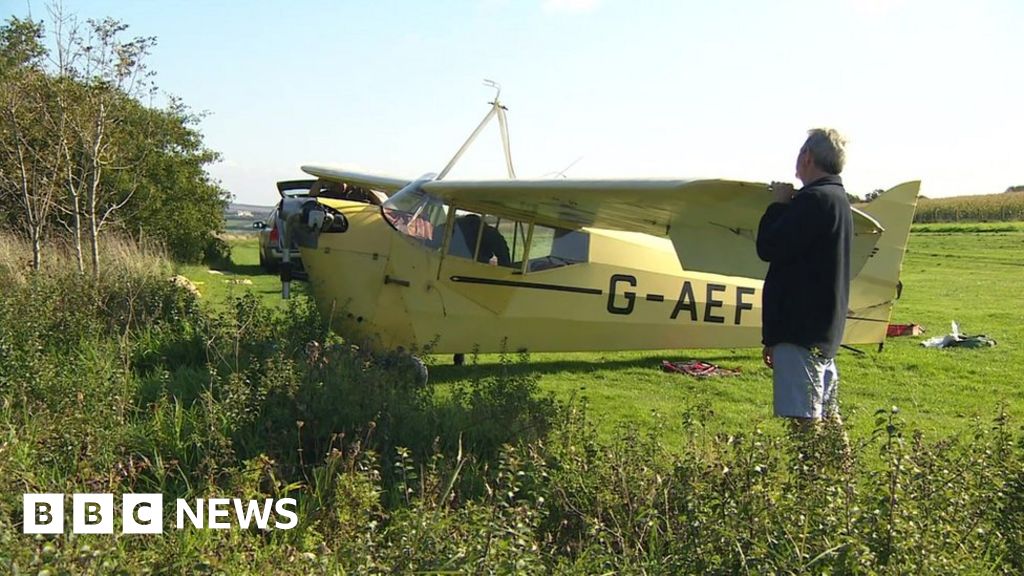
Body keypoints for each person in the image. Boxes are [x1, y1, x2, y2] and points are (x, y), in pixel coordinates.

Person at [756, 128, 852, 427]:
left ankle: (812, 475)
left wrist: (778, 204)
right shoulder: (839, 199)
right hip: (822, 332)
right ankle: (843, 472)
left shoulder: (812, 200)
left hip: (800, 331)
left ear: (807, 157)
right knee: (829, 417)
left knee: (804, 422)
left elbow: (768, 246)